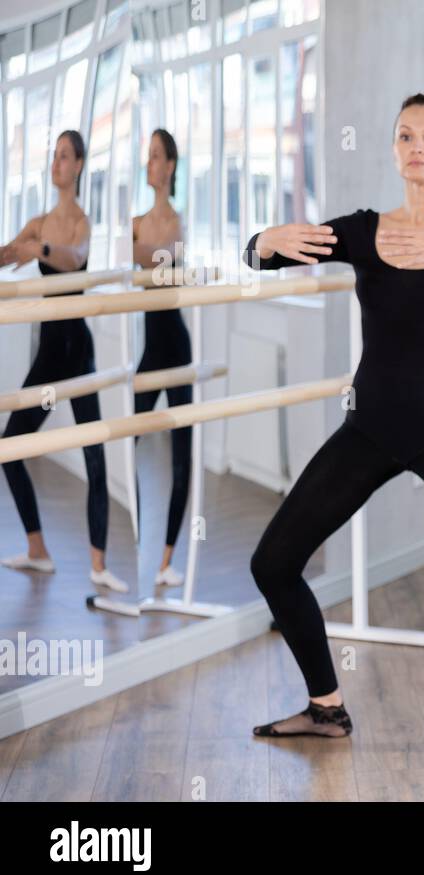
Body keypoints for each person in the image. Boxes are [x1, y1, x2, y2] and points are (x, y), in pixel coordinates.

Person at [243, 94, 424, 758]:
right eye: (405, 134)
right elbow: (263, 257)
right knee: (273, 562)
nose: (417, 145)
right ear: (394, 147)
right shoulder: (362, 229)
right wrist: (262, 241)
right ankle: (326, 707)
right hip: (370, 427)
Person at [1, 130, 127, 593]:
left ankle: (98, 564)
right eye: (53, 156)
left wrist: (40, 250)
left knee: (95, 452)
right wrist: (19, 249)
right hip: (50, 353)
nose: (56, 163)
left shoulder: (80, 223)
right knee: (10, 447)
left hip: (78, 348)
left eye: (65, 156)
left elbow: (73, 259)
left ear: (78, 166)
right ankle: (38, 550)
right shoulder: (38, 221)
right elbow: (8, 254)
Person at [132, 128, 193, 588]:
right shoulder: (137, 222)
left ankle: (168, 558)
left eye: (155, 156)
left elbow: (158, 263)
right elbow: (140, 269)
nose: (148, 163)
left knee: (181, 453)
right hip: (150, 349)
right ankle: (139, 544)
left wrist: (147, 260)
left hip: (175, 344)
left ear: (170, 166)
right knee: (129, 440)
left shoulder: (176, 222)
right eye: (147, 156)